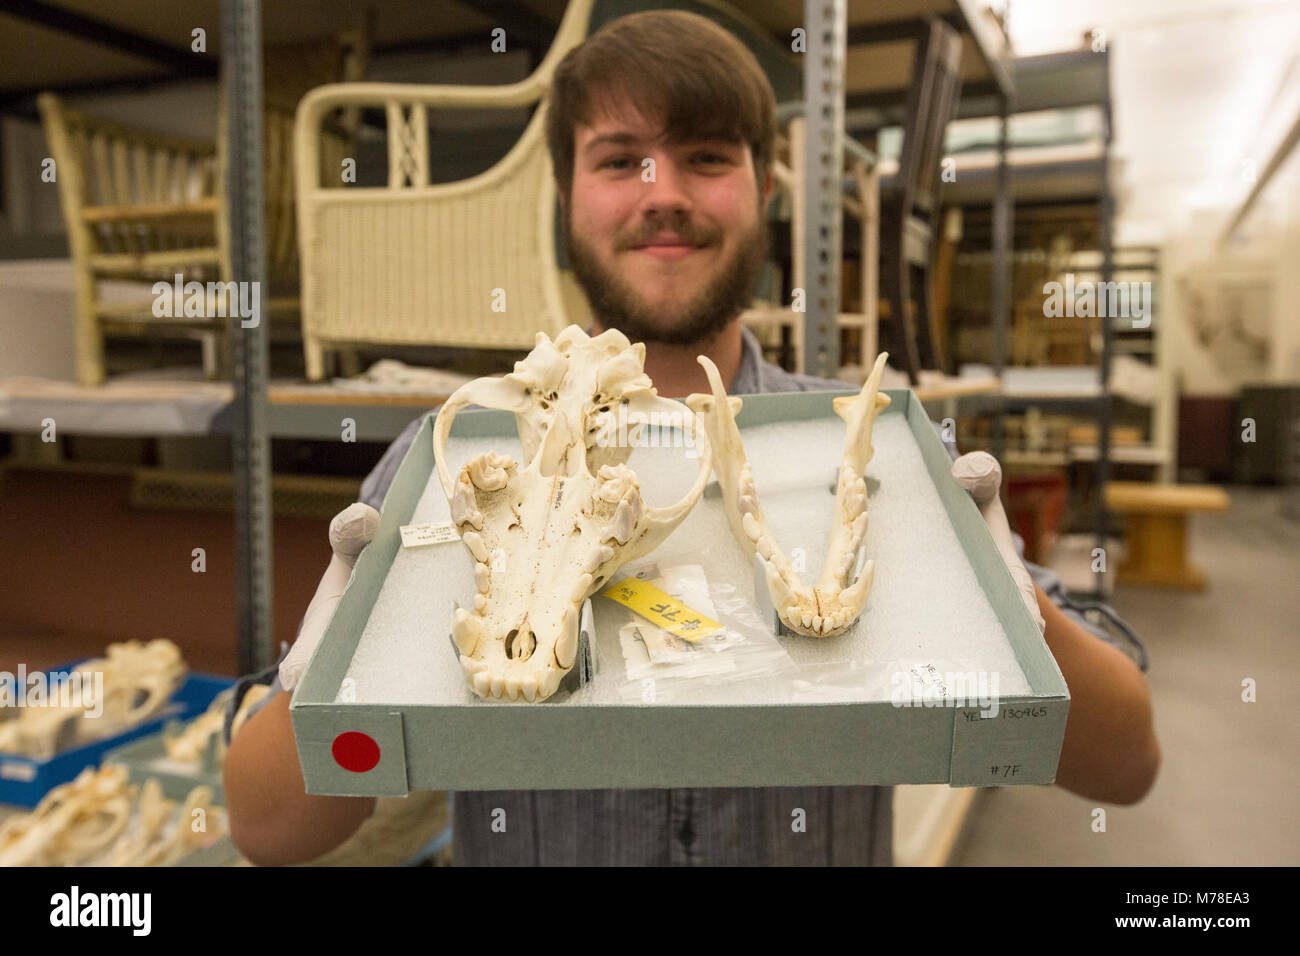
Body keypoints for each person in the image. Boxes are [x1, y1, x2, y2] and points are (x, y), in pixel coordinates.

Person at [224, 10, 1159, 866]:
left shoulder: (878, 450)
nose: (660, 192)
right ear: (565, 195)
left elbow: (1126, 767)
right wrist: (330, 665)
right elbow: (267, 831)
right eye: (618, 157)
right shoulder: (451, 466)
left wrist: (1013, 615)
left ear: (765, 187)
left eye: (706, 157)